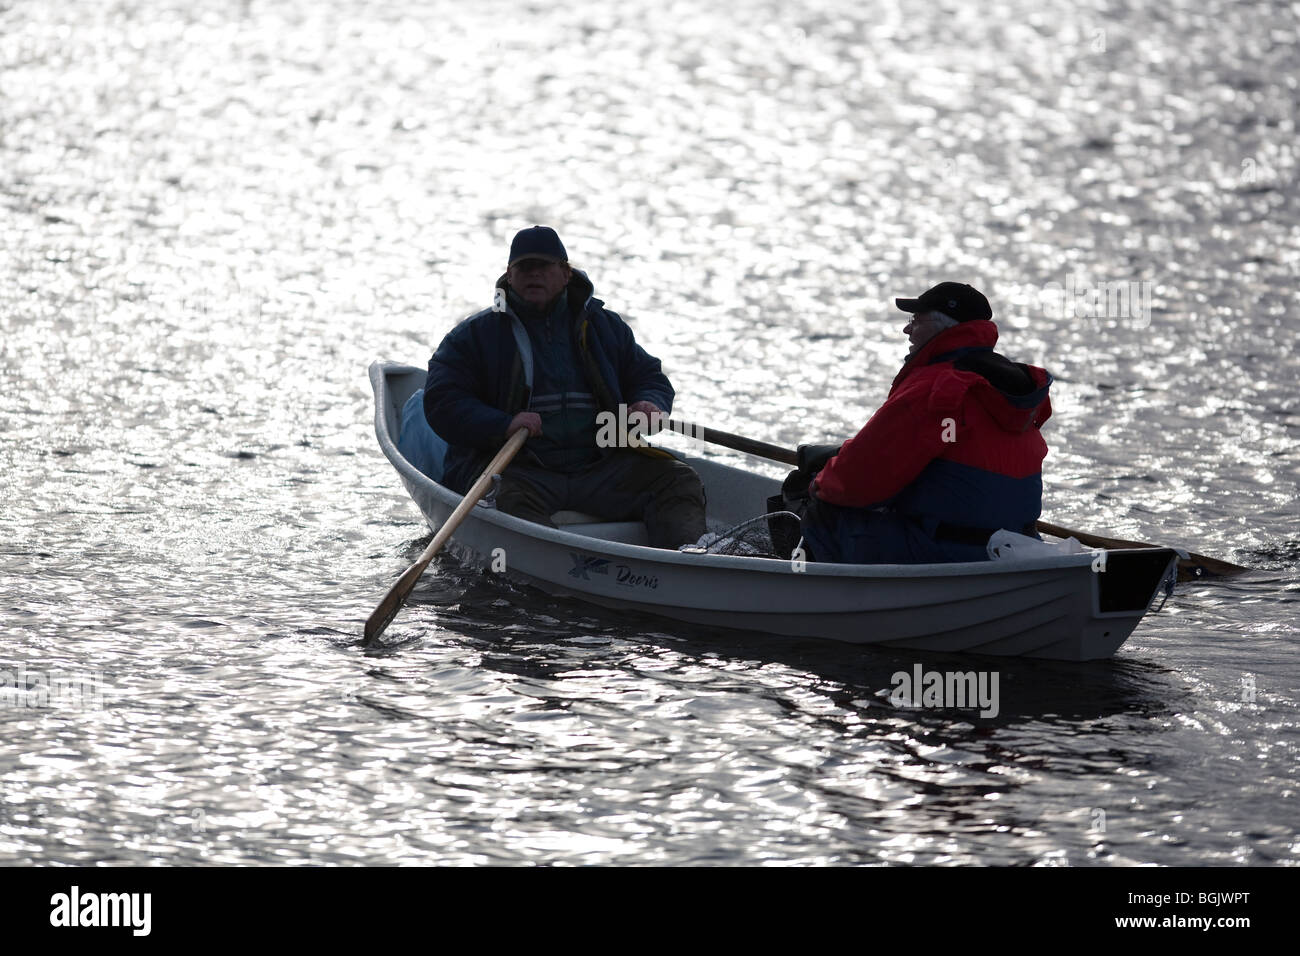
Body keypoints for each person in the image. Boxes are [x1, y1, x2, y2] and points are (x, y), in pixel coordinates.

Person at [422, 225, 706, 549]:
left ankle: (690, 560)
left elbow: (648, 376)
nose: (534, 275)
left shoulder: (604, 326)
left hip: (600, 466)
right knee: (505, 499)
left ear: (566, 273)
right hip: (520, 470)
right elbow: (443, 401)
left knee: (677, 480)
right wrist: (504, 424)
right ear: (509, 275)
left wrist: (648, 403)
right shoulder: (474, 336)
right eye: (524, 268)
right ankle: (551, 568)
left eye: (544, 266)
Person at [799, 282, 1052, 564]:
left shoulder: (936, 386)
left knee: (821, 502)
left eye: (915, 320)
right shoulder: (1010, 388)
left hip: (946, 552)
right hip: (1017, 545)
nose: (907, 330)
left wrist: (817, 483)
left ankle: (801, 590)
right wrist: (842, 453)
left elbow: (858, 480)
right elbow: (950, 445)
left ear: (943, 327)